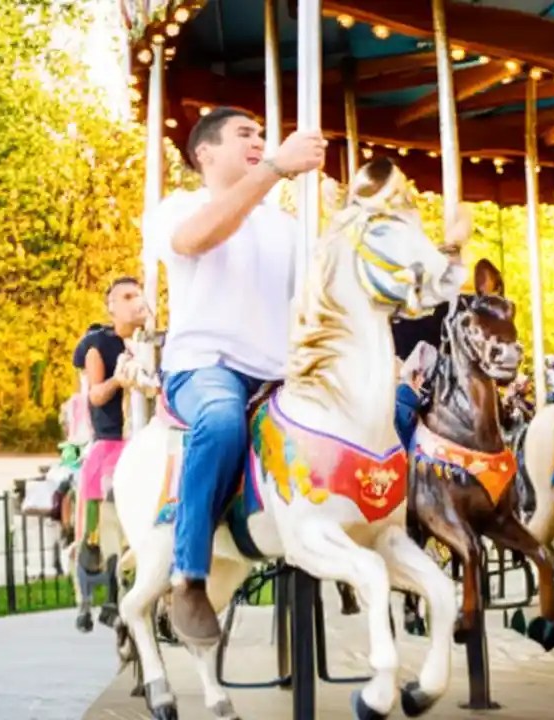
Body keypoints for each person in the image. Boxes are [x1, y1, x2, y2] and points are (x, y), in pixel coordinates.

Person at [140, 107, 328, 645]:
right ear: (205, 153)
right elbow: (196, 239)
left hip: (275, 373)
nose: (259, 141)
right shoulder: (179, 207)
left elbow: (323, 292)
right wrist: (274, 167)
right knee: (222, 421)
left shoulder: (289, 227)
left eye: (263, 135)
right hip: (205, 366)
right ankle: (190, 573)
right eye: (245, 134)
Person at [77, 277, 150, 553]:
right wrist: (118, 380)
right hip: (112, 444)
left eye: (138, 295)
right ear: (112, 308)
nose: (137, 302)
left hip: (146, 440)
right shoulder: (100, 344)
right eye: (128, 297)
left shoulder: (155, 341)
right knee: (107, 529)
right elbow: (95, 394)